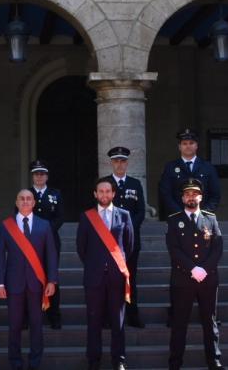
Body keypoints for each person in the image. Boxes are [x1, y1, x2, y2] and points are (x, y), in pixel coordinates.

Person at [0, 189, 59, 370]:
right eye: (21, 199)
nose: (25, 201)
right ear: (16, 202)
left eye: (28, 199)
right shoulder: (6, 226)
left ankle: (34, 363)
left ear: (34, 203)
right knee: (14, 326)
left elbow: (51, 256)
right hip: (13, 284)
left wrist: (52, 281)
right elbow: (0, 255)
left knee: (37, 326)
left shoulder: (44, 225)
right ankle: (15, 363)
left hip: (36, 284)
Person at [165, 179, 224, 370]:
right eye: (187, 194)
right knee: (179, 323)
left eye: (195, 193)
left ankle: (214, 360)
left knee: (210, 322)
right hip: (183, 279)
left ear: (201, 196)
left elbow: (217, 248)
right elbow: (174, 249)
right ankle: (175, 363)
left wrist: (204, 269)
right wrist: (192, 268)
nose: (191, 197)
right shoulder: (174, 220)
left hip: (207, 279)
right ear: (182, 198)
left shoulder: (210, 219)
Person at [77, 177, 135, 370]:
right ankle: (94, 360)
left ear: (113, 194)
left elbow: (129, 245)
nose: (104, 195)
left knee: (118, 322)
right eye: (100, 191)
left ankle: (119, 360)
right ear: (95, 194)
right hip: (94, 278)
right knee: (93, 321)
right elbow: (81, 248)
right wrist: (97, 265)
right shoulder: (87, 217)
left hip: (116, 277)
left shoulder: (124, 215)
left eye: (108, 191)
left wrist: (112, 265)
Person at [106, 146, 147, 328]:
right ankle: (109, 317)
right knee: (109, 280)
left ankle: (133, 315)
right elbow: (99, 211)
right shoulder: (104, 183)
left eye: (123, 161)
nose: (120, 164)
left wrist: (128, 228)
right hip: (109, 241)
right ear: (111, 163)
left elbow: (140, 212)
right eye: (116, 161)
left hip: (130, 242)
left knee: (130, 278)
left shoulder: (135, 184)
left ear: (127, 163)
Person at [28, 159, 65, 329]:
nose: (39, 177)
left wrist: (46, 232)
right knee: (30, 278)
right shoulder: (25, 194)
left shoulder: (55, 194)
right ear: (32, 176)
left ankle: (54, 316)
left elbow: (60, 217)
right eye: (36, 174)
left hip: (50, 242)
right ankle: (29, 316)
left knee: (52, 278)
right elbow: (19, 216)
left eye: (42, 174)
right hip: (29, 242)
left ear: (47, 176)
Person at [158, 128, 222, 218]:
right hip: (177, 218)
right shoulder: (170, 167)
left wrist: (204, 213)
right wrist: (180, 213)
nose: (188, 146)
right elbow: (165, 194)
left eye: (191, 143)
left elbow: (215, 194)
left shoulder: (208, 167)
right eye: (184, 144)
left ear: (196, 146)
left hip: (203, 218)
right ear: (179, 147)